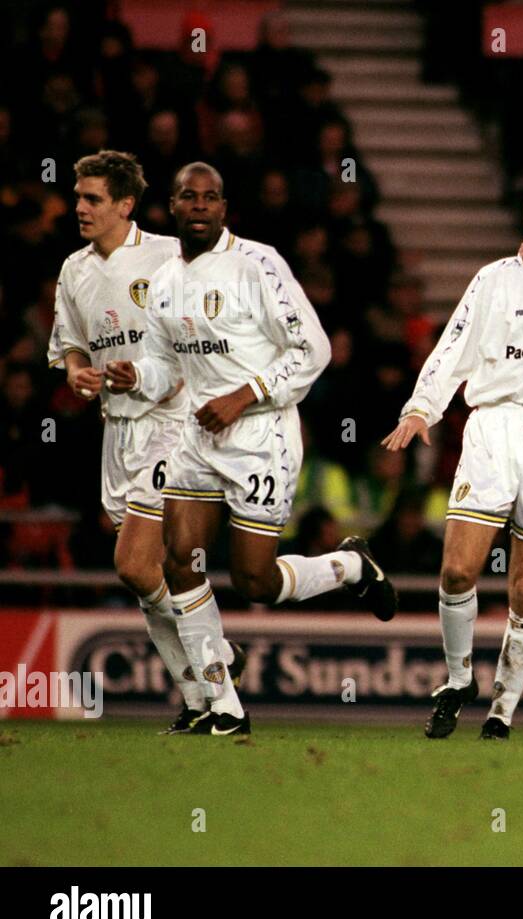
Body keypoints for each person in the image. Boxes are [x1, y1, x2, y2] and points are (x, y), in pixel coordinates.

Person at [105, 162, 396, 736]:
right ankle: (223, 705)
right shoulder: (164, 282)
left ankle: (349, 565)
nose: (199, 205)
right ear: (172, 205)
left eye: (210, 197)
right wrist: (135, 377)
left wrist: (245, 395)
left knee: (254, 582)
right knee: (180, 563)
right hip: (198, 436)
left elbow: (312, 350)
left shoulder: (258, 265)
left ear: (224, 207)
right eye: (188, 196)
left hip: (261, 438)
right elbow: (166, 367)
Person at [383, 183, 523, 741]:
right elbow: (452, 348)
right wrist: (421, 408)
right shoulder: (495, 280)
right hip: (494, 430)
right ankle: (459, 681)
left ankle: (502, 711)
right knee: (458, 569)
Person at [46, 150, 246, 734]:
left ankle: (218, 665)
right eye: (78, 197)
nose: (80, 208)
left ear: (125, 205)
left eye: (92, 199)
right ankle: (199, 695)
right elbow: (70, 344)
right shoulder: (74, 270)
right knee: (145, 576)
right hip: (118, 431)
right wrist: (77, 374)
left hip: (171, 423)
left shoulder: (166, 256)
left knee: (134, 563)